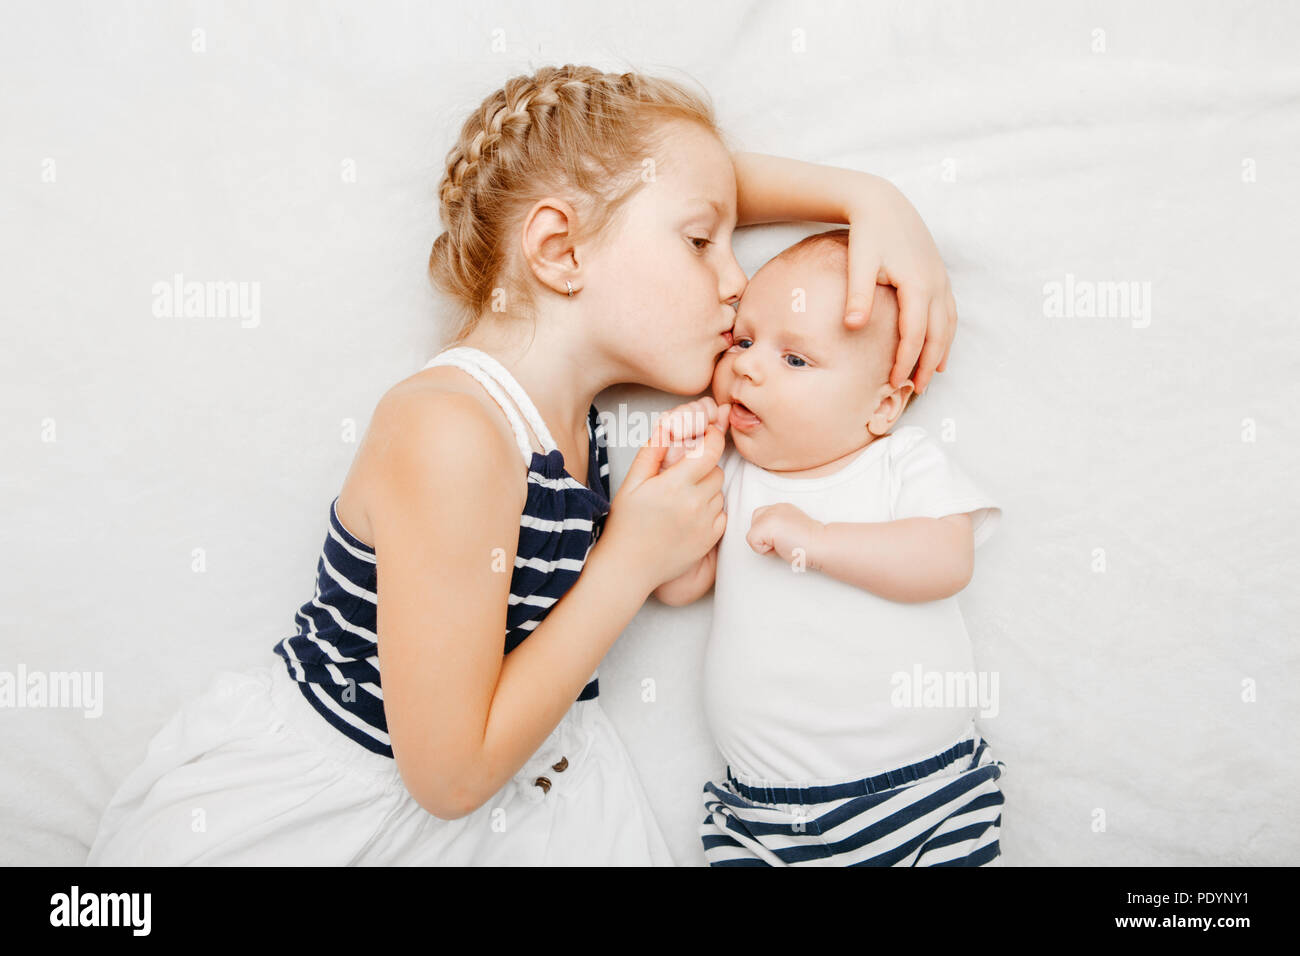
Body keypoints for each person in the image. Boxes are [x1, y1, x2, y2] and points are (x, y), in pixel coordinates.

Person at [87, 65, 959, 865]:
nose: (737, 284)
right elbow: (449, 774)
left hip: (528, 792)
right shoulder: (452, 429)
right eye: (703, 244)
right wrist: (631, 560)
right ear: (560, 252)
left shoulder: (582, 432)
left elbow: (688, 185)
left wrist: (867, 200)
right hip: (337, 810)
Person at [653, 229, 1004, 865]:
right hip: (761, 818)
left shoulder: (900, 462)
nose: (750, 366)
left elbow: (946, 562)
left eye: (796, 360)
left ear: (883, 405)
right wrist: (681, 477)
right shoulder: (732, 477)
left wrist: (816, 542)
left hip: (923, 796)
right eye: (745, 341)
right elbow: (679, 587)